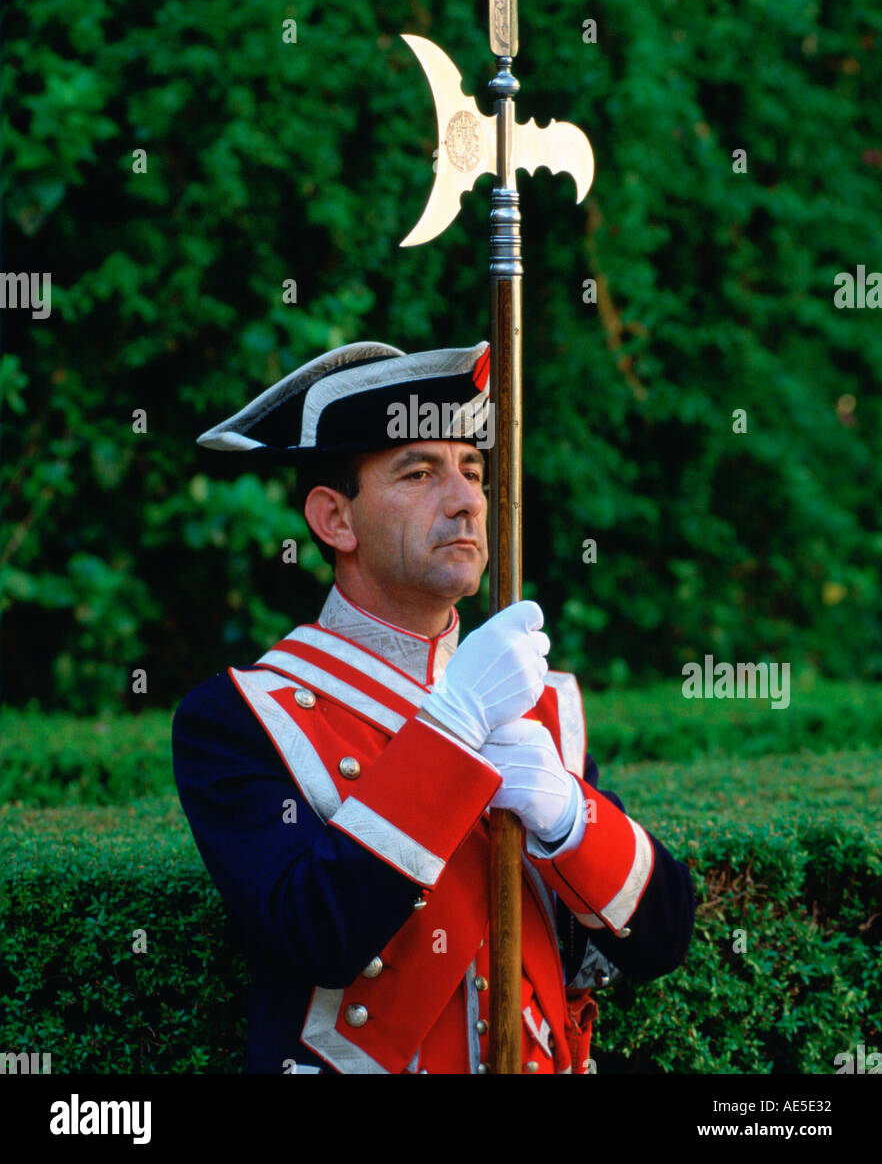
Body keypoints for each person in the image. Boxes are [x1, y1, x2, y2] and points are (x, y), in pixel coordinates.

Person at [173, 339, 695, 1074]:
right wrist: (449, 732)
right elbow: (313, 931)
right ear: (335, 520)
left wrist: (570, 818)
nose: (466, 499)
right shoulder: (238, 717)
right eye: (419, 473)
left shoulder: (537, 703)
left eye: (473, 470)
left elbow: (663, 940)